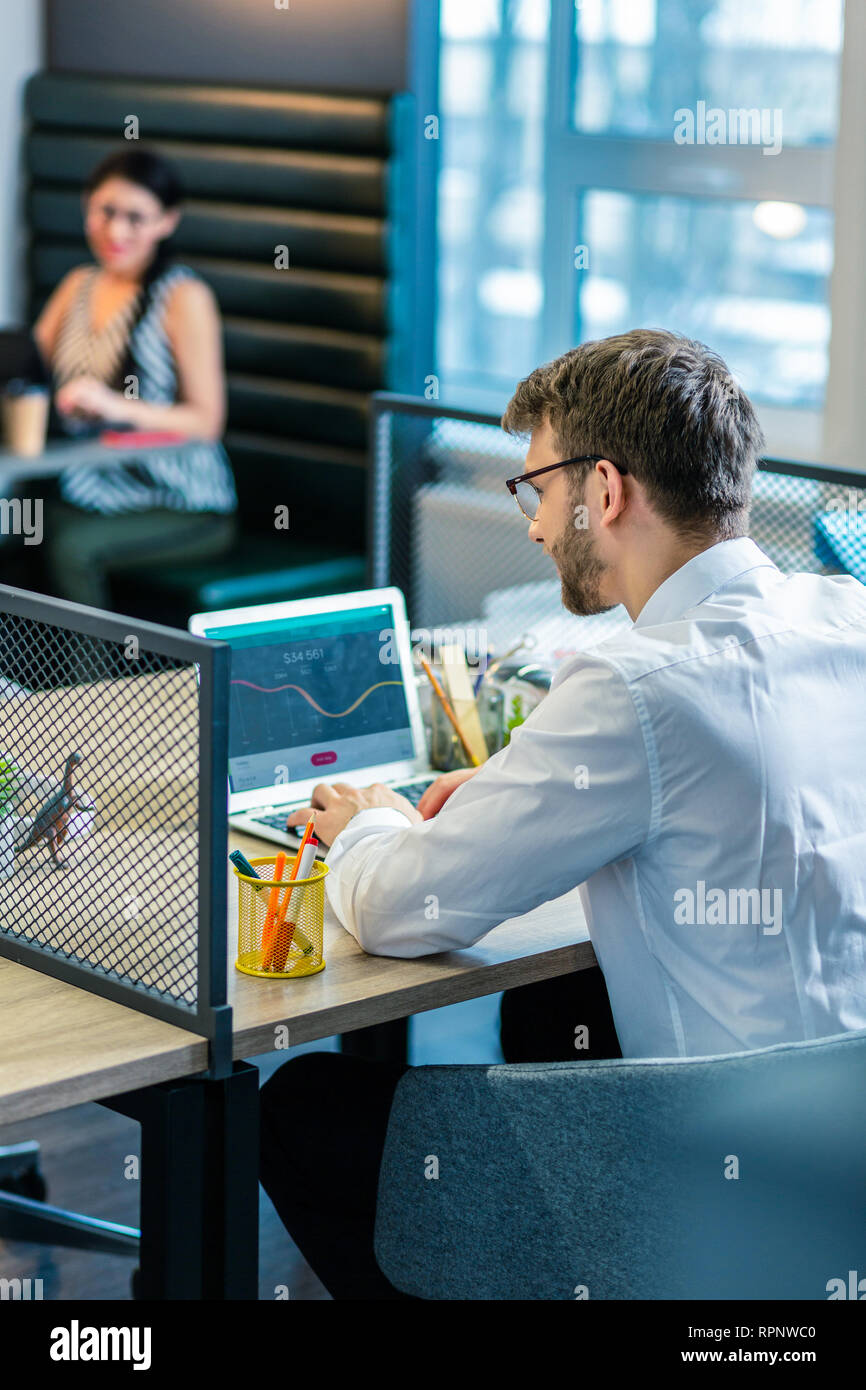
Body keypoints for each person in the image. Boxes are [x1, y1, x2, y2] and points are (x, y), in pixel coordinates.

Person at [259, 328, 866, 1298]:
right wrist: (520, 781)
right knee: (554, 1006)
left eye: (536, 488)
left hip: (723, 1183)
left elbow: (396, 908)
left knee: (300, 1104)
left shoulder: (638, 688)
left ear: (605, 491)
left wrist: (370, 819)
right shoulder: (844, 618)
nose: (535, 526)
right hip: (841, 1161)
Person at [33, 148, 237, 608]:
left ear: (166, 222)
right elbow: (26, 370)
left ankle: (91, 683)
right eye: (105, 212)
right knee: (18, 530)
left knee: (71, 550)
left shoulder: (183, 297)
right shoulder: (77, 286)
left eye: (135, 218)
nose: (115, 231)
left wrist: (113, 405)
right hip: (92, 491)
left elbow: (206, 422)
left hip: (182, 503)